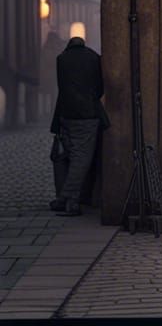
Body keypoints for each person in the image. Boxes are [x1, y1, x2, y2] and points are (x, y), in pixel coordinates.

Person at [49, 33, 109, 216]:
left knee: (69, 157)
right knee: (81, 159)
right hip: (88, 115)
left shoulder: (61, 59)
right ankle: (69, 198)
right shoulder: (93, 58)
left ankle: (66, 199)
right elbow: (100, 87)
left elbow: (62, 87)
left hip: (66, 114)